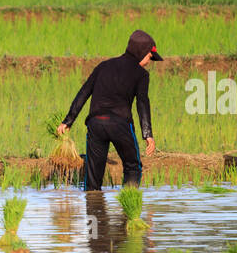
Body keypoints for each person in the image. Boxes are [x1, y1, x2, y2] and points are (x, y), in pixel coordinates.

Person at [58, 30, 160, 190]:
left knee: (92, 176)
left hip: (96, 124)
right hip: (120, 125)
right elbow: (142, 103)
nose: (149, 62)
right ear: (141, 52)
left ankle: (94, 210)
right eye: (149, 56)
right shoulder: (141, 74)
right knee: (133, 166)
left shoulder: (103, 66)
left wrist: (68, 121)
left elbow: (83, 93)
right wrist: (147, 134)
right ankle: (129, 208)